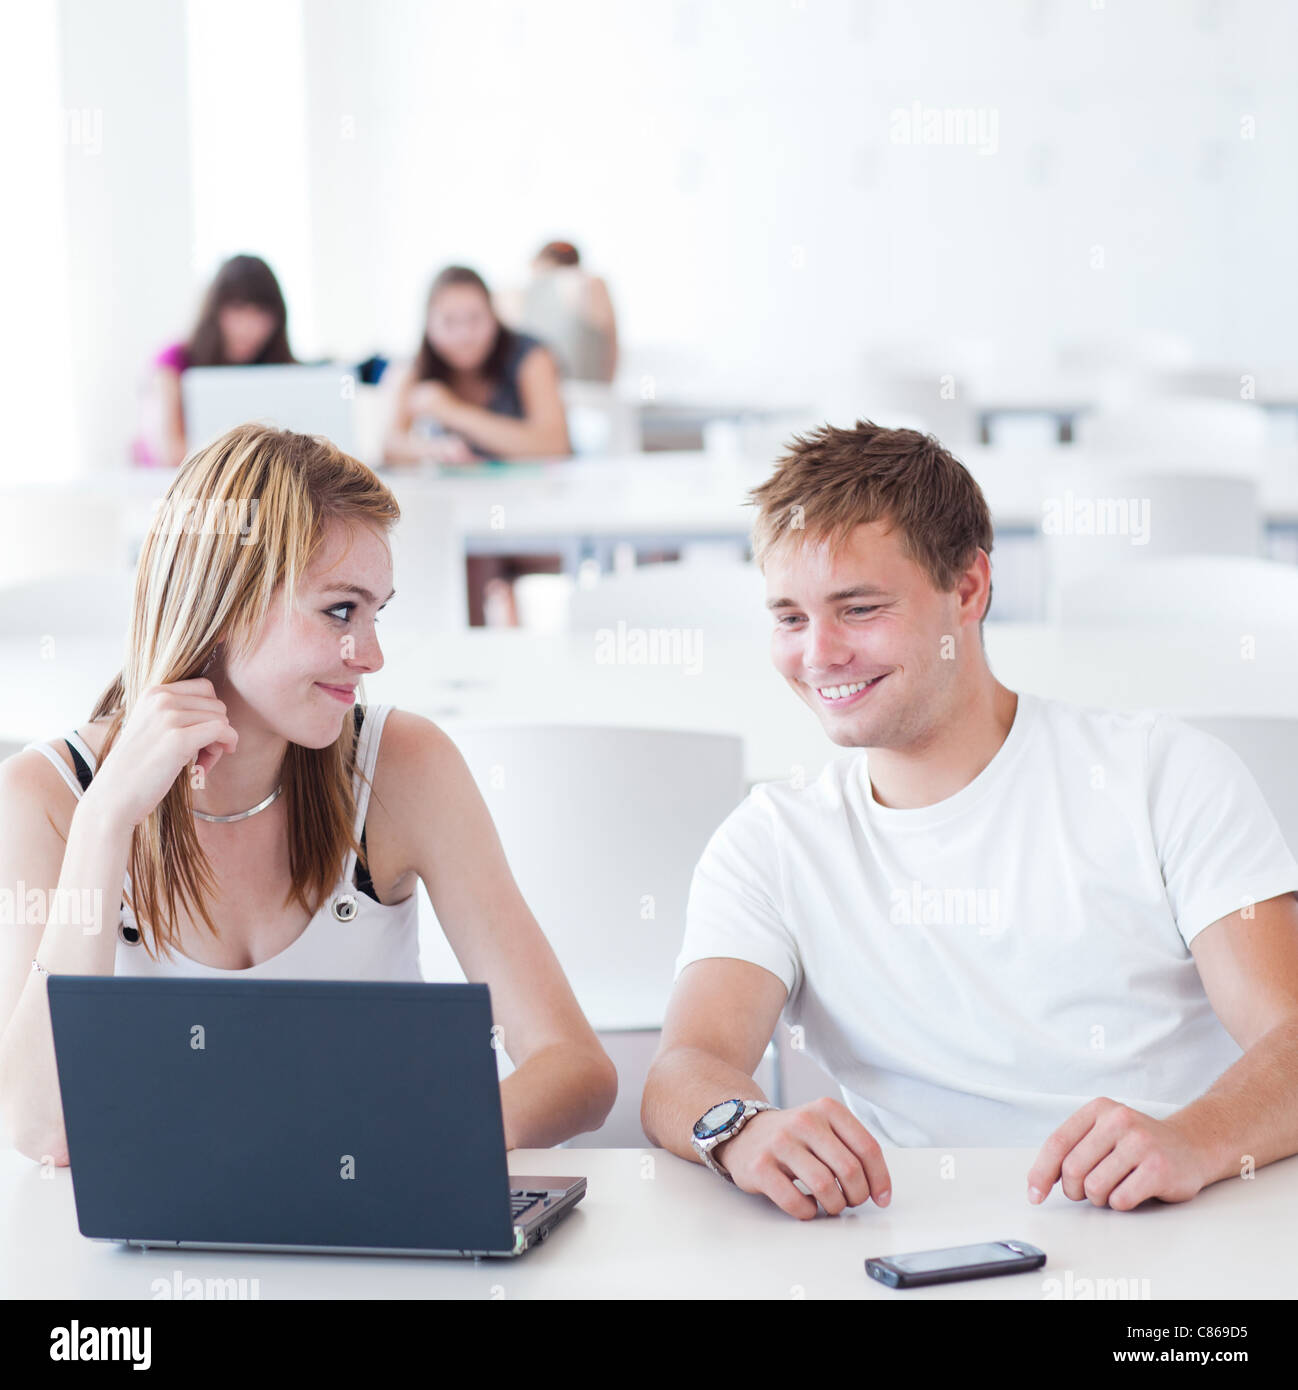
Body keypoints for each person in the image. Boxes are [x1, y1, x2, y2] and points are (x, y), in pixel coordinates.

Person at [642, 419, 1298, 1219]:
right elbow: (685, 1066)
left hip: (1170, 1225)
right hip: (916, 1244)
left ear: (969, 589)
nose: (819, 654)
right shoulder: (773, 840)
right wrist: (740, 1127)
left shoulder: (1161, 776)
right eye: (789, 618)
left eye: (859, 608)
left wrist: (1193, 1138)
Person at [0, 423, 616, 1166]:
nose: (374, 654)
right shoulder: (50, 797)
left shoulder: (402, 764)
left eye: (376, 612)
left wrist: (407, 1141)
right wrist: (104, 826)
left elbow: (576, 1068)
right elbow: (42, 1132)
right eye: (340, 611)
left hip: (381, 1226)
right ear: (224, 603)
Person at [382, 265, 570, 466]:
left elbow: (555, 444)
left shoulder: (531, 356)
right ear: (429, 325)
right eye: (449, 321)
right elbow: (389, 445)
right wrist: (431, 449)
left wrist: (453, 412)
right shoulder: (413, 369)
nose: (464, 335)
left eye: (475, 318)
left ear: (494, 317)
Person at [133, 253, 296, 469]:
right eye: (237, 309)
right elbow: (168, 450)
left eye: (260, 312)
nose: (248, 325)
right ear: (215, 311)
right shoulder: (173, 362)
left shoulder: (284, 371)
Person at [507, 241, 618, 384]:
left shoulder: (516, 292)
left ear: (538, 261)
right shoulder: (589, 283)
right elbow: (612, 345)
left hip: (539, 394)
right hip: (587, 391)